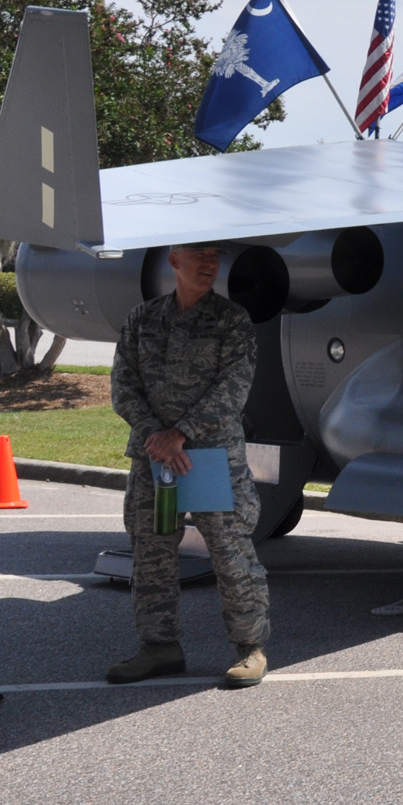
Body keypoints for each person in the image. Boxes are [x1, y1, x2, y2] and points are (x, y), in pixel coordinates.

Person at [105, 244, 272, 690]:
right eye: (198, 254)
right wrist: (153, 435)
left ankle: (249, 648)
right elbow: (123, 384)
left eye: (214, 255)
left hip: (210, 458)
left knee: (229, 551)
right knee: (152, 553)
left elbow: (233, 390)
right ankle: (159, 647)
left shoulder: (231, 321)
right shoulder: (143, 319)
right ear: (173, 261)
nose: (209, 263)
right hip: (155, 459)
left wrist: (180, 433)